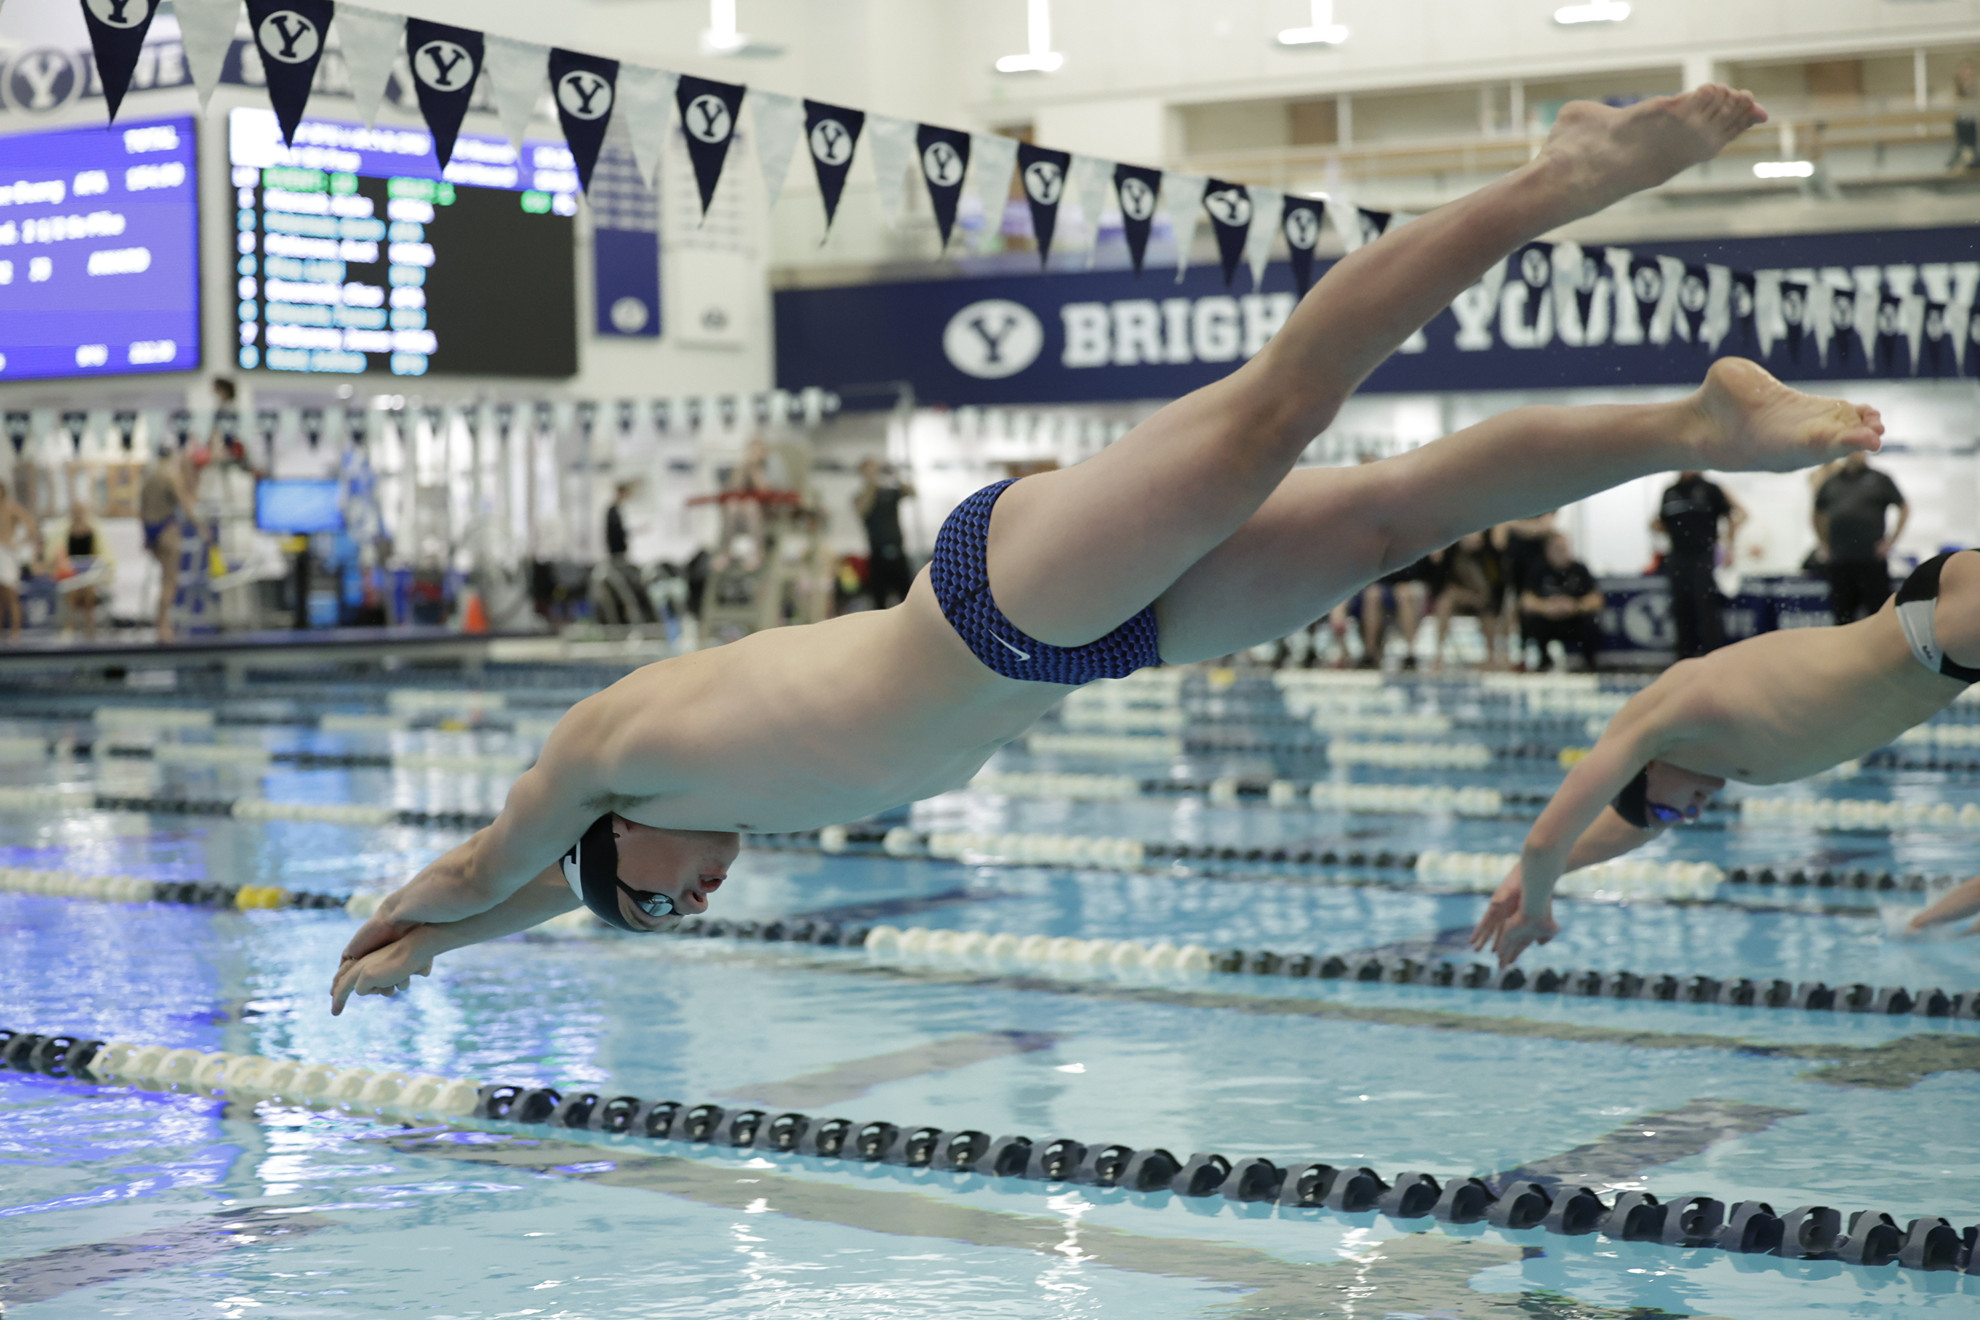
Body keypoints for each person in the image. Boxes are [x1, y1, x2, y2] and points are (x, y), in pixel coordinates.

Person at [329, 86, 1887, 1014]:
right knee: (1401, 512)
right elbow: (560, 892)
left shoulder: (607, 755)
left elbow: (497, 863)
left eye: (668, 906)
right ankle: (1700, 419)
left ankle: (1567, 173)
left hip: (993, 604)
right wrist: (470, 945)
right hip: (1097, 645)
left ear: (617, 849)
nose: (699, 906)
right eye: (675, 921)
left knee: (1276, 411)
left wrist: (410, 934)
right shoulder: (685, 820)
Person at [1472, 547, 1977, 969]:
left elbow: (1544, 840)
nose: (1692, 815)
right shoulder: (1704, 758)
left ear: (1645, 769)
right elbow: (1626, 827)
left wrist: (1536, 906)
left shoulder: (1666, 713)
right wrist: (1538, 875)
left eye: (1672, 811)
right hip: (1945, 651)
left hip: (1932, 629)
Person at [1653, 469, 1744, 659]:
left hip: (1703, 556)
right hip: (1678, 556)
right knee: (1681, 608)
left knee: (1706, 608)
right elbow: (1659, 522)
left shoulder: (1710, 489)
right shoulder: (1669, 491)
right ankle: (1684, 657)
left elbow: (1737, 515)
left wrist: (1730, 546)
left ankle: (1713, 657)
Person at [1814, 451, 1906, 624]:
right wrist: (1824, 543)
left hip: (1872, 562)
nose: (1858, 454)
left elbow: (1904, 507)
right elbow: (1817, 512)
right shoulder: (1832, 482)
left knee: (1879, 619)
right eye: (1853, 449)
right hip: (1840, 562)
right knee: (1842, 618)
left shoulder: (1880, 479)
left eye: (1861, 450)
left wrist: (1891, 541)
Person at [139, 447, 203, 644]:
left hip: (151, 531)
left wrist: (146, 538)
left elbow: (141, 509)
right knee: (169, 581)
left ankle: (160, 623)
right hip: (167, 531)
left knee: (162, 580)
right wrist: (202, 528)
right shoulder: (169, 476)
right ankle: (163, 626)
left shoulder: (148, 478)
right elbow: (185, 504)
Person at [1517, 532, 1605, 672]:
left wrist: (1575, 606)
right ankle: (1543, 661)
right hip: (1547, 620)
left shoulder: (1579, 569)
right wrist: (1545, 607)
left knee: (1591, 621)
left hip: (1573, 619)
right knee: (1530, 620)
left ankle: (1590, 662)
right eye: (1558, 548)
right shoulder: (1539, 569)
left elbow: (1597, 599)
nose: (1563, 552)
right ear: (1548, 550)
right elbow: (1526, 600)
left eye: (1565, 548)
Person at [1429, 531, 1505, 670]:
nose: (1474, 538)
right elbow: (1442, 586)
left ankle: (1491, 656)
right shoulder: (1450, 553)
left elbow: (1495, 588)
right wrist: (1466, 596)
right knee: (1444, 602)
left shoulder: (1489, 555)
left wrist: (1479, 599)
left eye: (1477, 535)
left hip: (1484, 599)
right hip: (1460, 597)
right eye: (1470, 534)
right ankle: (1438, 654)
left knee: (1491, 612)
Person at [1494, 511, 1556, 668]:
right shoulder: (1507, 501)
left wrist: (1510, 523)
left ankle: (1540, 653)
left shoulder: (1544, 499)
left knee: (1533, 608)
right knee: (1509, 607)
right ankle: (1513, 654)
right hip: (1512, 565)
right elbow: (1498, 540)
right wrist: (1526, 528)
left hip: (1536, 567)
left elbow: (1543, 527)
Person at [854, 457, 916, 610]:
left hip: (898, 552)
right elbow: (862, 509)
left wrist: (894, 474)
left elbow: (912, 492)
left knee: (908, 598)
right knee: (879, 602)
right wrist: (871, 484)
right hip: (877, 555)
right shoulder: (861, 496)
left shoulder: (890, 493)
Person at [597, 482, 657, 625]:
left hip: (619, 552)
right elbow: (616, 534)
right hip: (616, 554)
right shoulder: (612, 511)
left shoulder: (616, 511)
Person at [1359, 557, 1433, 670]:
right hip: (1386, 582)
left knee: (1404, 594)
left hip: (1412, 582)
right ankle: (1370, 653)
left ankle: (1410, 652)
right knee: (1372, 594)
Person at [53, 502, 109, 641]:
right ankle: (69, 627)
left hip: (88, 570)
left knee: (88, 592)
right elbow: (61, 554)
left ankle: (90, 627)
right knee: (72, 593)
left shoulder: (91, 531)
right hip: (72, 571)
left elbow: (99, 553)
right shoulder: (65, 532)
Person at [0, 479, 41, 643]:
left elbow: (31, 524)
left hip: (7, 553)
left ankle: (15, 633)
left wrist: (19, 541)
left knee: (11, 595)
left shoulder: (10, 507)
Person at [1950, 59, 1979, 171]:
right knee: (1962, 122)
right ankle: (1967, 155)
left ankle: (1969, 155)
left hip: (1975, 122)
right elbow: (1959, 107)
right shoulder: (1958, 88)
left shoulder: (1976, 85)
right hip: (1967, 124)